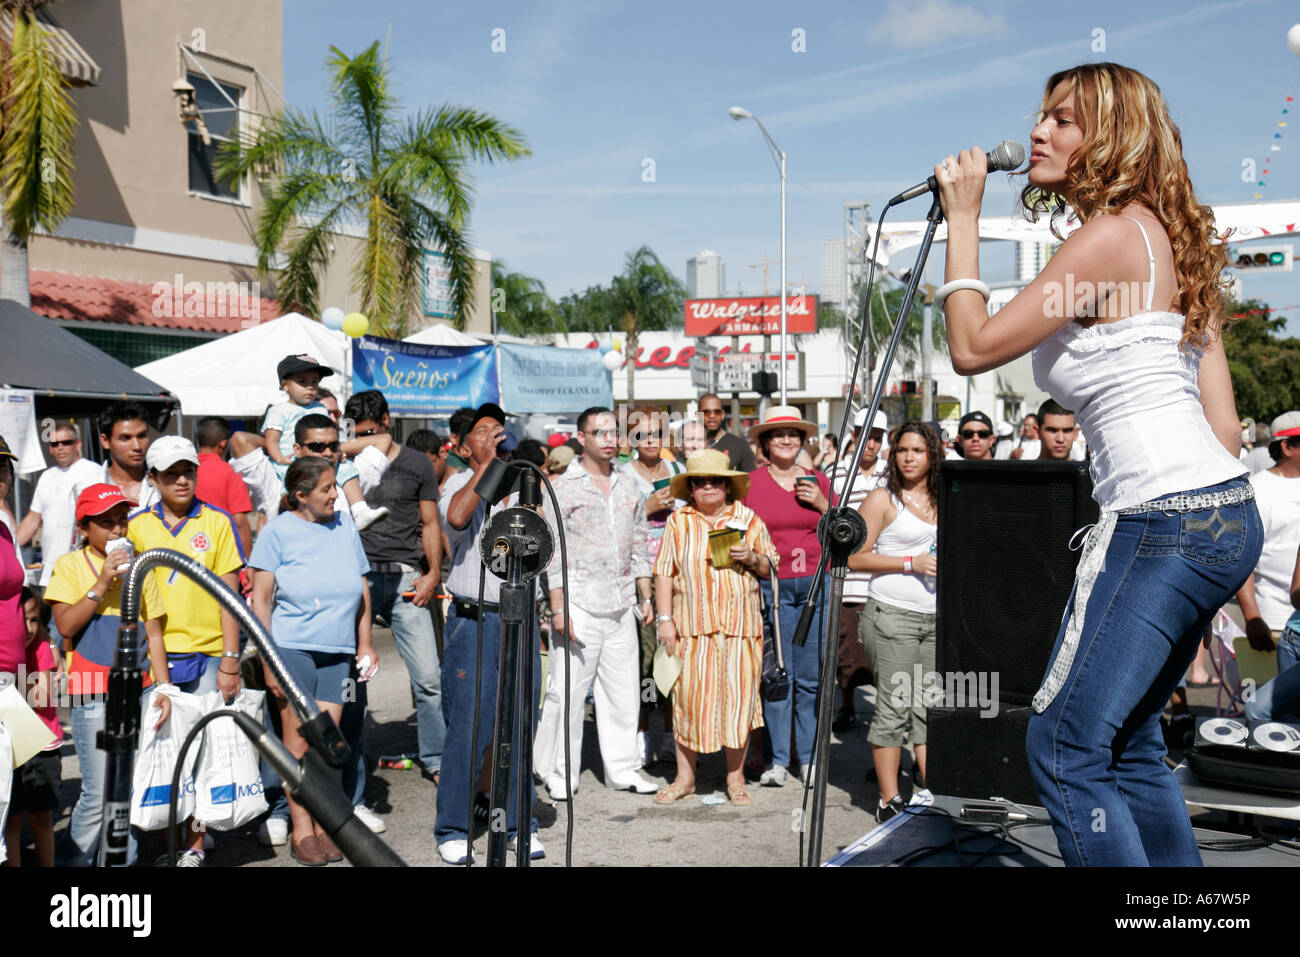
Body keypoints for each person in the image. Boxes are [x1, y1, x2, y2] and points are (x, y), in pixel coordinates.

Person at [936, 61, 1261, 865]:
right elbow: (1224, 432)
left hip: (1161, 519)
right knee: (1128, 746)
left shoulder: (1111, 235)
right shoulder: (1169, 243)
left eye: (1065, 120)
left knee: (1062, 747)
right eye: (1041, 115)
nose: (1039, 132)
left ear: (1114, 136)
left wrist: (964, 218)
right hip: (1219, 511)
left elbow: (972, 345)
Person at [249, 457, 376, 866]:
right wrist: (269, 660)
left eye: (335, 486)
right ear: (300, 495)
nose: (336, 495)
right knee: (299, 740)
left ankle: (326, 823)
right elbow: (261, 601)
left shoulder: (345, 526)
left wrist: (366, 642)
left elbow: (361, 586)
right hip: (292, 649)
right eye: (326, 489)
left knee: (331, 740)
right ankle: (302, 828)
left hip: (338, 651)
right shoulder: (277, 532)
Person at [127, 436, 244, 866]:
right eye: (171, 472)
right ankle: (173, 841)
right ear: (153, 478)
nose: (181, 480)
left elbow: (231, 598)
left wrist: (230, 659)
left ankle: (193, 846)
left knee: (203, 751)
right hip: (157, 657)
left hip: (211, 654)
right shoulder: (136, 527)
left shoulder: (217, 522)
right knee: (167, 752)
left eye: (188, 471)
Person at [435, 402, 542, 864]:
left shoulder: (527, 487)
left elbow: (547, 546)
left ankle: (519, 823)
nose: (495, 435)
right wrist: (486, 470)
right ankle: (454, 827)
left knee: (520, 725)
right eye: (483, 431)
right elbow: (457, 519)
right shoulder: (457, 484)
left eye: (500, 429)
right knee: (469, 729)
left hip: (521, 619)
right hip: (474, 620)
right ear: (463, 445)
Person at [535, 406, 659, 799]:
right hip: (578, 601)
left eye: (614, 432)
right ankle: (559, 771)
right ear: (582, 438)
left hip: (622, 601)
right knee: (568, 690)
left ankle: (623, 768)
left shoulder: (629, 485)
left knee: (622, 692)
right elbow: (550, 551)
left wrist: (646, 594)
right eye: (600, 432)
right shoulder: (562, 487)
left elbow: (639, 540)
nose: (610, 440)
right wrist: (557, 606)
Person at [47, 484, 170, 867]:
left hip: (141, 689)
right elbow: (65, 626)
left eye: (122, 521)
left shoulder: (142, 566)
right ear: (84, 528)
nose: (117, 531)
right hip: (91, 691)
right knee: (99, 790)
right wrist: (101, 583)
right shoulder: (70, 566)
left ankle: (120, 864)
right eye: (106, 523)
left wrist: (164, 688)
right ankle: (73, 863)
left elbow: (154, 634)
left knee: (128, 788)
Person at [651, 450, 777, 805]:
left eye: (716, 481)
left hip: (740, 627)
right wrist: (665, 619)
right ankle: (685, 779)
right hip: (691, 626)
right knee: (688, 702)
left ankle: (734, 779)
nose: (708, 486)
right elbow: (663, 571)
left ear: (727, 485)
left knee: (738, 701)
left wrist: (751, 558)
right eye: (700, 481)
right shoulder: (679, 520)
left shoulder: (748, 518)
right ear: (690, 487)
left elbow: (771, 566)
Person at [344, 389, 446, 782]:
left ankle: (436, 759)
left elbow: (431, 524)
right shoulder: (344, 462)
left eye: (372, 431)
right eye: (359, 433)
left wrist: (433, 574)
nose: (366, 440)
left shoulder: (417, 462)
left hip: (406, 578)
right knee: (352, 681)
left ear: (386, 421)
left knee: (429, 679)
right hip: (359, 577)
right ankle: (352, 767)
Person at [848, 422, 940, 822]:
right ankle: (889, 799)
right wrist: (910, 562)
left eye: (917, 451)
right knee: (895, 705)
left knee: (928, 706)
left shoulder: (944, 498)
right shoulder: (883, 498)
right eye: (902, 450)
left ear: (932, 455)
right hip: (891, 616)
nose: (908, 457)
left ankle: (933, 788)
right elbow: (854, 557)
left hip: (936, 617)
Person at [744, 406, 834, 786]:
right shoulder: (749, 483)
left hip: (816, 583)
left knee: (811, 677)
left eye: (793, 434)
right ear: (765, 442)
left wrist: (822, 504)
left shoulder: (819, 480)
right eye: (778, 434)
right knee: (778, 674)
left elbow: (843, 529)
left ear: (803, 441)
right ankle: (777, 760)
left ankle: (810, 758)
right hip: (772, 586)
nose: (786, 440)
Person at [261, 355, 388, 530]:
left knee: (347, 468)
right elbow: (272, 441)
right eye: (302, 381)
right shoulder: (279, 410)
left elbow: (329, 435)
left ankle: (360, 510)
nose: (310, 387)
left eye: (314, 382)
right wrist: (281, 459)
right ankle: (289, 523)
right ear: (285, 385)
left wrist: (337, 450)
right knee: (289, 493)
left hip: (322, 463)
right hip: (293, 464)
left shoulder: (319, 409)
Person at [623, 405, 684, 765]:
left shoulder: (678, 471)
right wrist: (647, 507)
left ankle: (675, 734)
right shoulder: (622, 475)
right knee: (646, 661)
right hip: (639, 578)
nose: (651, 440)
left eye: (657, 434)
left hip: (678, 576)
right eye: (643, 434)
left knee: (675, 657)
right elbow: (616, 527)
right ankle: (644, 731)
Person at [827, 408, 889, 732]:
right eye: (867, 437)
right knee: (846, 648)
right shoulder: (835, 473)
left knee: (881, 651)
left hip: (882, 576)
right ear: (854, 436)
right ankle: (847, 706)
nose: (871, 445)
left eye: (877, 438)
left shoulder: (890, 475)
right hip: (847, 576)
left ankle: (883, 715)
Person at [1236, 411, 1300, 669]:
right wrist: (1253, 617)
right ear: (1286, 446)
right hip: (1275, 623)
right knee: (1268, 708)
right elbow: (1242, 559)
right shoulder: (1257, 490)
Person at [4, 588, 61, 866]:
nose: (28, 628)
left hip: (42, 747)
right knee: (11, 823)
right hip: (10, 748)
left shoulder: (40, 649)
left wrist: (11, 671)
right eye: (21, 620)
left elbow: (39, 698)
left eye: (34, 620)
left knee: (42, 819)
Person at [16, 421, 103, 593]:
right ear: (50, 449)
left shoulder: (95, 473)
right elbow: (33, 519)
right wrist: (9, 548)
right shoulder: (47, 477)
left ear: (78, 444)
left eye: (66, 442)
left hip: (84, 568)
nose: (60, 447)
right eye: (55, 444)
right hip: (51, 571)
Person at [193, 416, 255, 559]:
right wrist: (247, 561)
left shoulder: (187, 471)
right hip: (222, 552)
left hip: (190, 547)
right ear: (223, 443)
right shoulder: (230, 473)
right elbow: (239, 521)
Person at [77, 404, 160, 510]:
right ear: (105, 441)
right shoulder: (86, 487)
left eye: (141, 436)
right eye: (125, 438)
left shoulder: (164, 483)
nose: (136, 446)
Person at [698, 393, 756, 472]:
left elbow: (751, 479)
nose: (712, 416)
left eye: (717, 412)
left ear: (722, 415)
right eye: (706, 412)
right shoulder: (690, 445)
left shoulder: (740, 446)